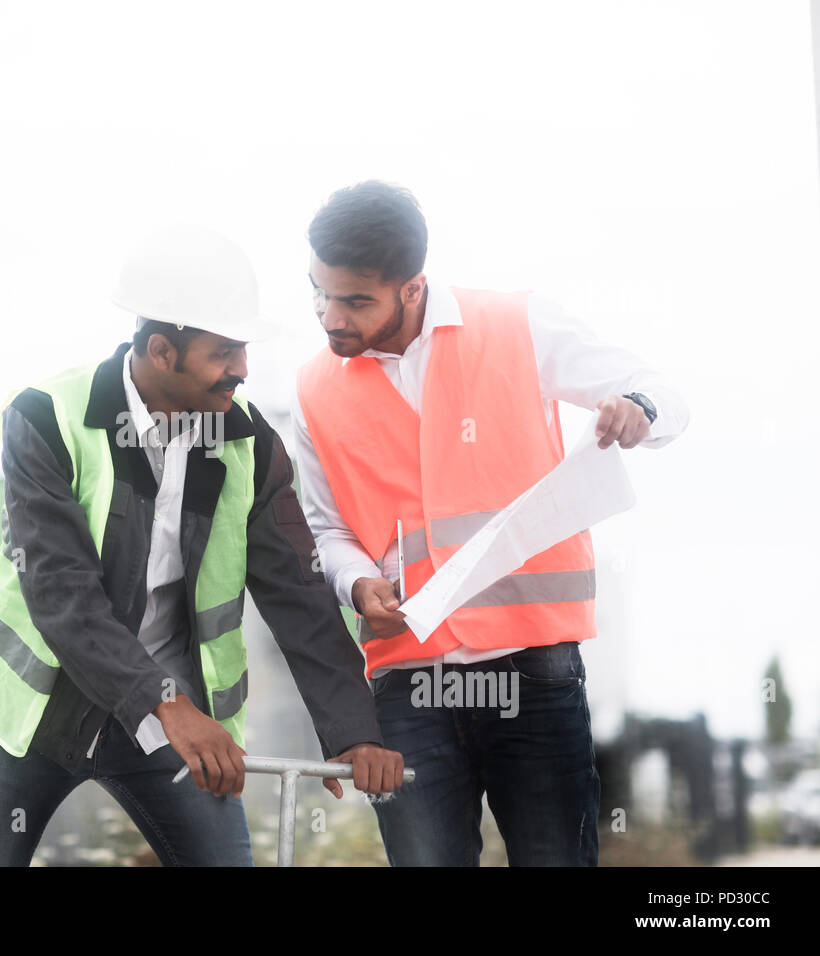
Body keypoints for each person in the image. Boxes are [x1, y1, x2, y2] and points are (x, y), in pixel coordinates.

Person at [0, 224, 404, 867]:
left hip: (173, 724)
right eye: (225, 352)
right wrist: (168, 704)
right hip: (33, 716)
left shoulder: (250, 444)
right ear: (162, 351)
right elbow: (61, 594)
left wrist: (352, 731)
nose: (242, 370)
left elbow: (298, 592)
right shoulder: (47, 418)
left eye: (243, 349)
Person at [292, 181, 690, 866]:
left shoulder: (516, 326)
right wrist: (357, 583)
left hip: (534, 676)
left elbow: (662, 391)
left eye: (355, 301)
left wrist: (638, 409)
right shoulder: (312, 387)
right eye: (319, 293)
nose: (330, 318)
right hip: (408, 683)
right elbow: (326, 529)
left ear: (411, 289)